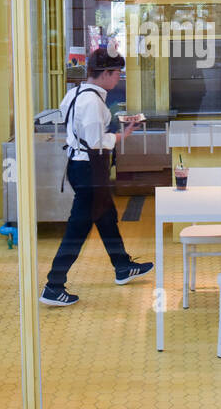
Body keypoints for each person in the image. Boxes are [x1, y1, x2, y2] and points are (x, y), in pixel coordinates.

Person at [41, 47, 153, 307]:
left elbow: (69, 118)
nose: (118, 79)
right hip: (90, 169)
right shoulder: (92, 102)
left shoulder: (75, 93)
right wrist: (121, 136)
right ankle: (53, 285)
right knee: (77, 230)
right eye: (117, 74)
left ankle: (122, 266)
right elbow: (95, 142)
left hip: (79, 166)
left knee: (106, 216)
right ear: (105, 74)